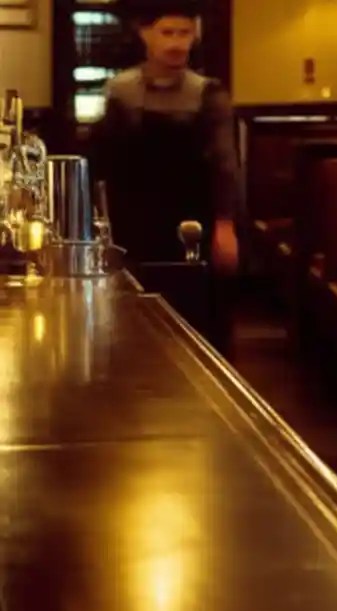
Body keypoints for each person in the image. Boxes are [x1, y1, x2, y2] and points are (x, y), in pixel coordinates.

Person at [90, 0, 239, 351]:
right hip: (133, 220)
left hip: (192, 221)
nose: (176, 42)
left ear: (195, 36)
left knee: (200, 319)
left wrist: (225, 223)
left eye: (184, 33)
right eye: (167, 32)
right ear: (145, 35)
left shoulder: (208, 93)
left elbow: (225, 163)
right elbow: (102, 162)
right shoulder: (120, 91)